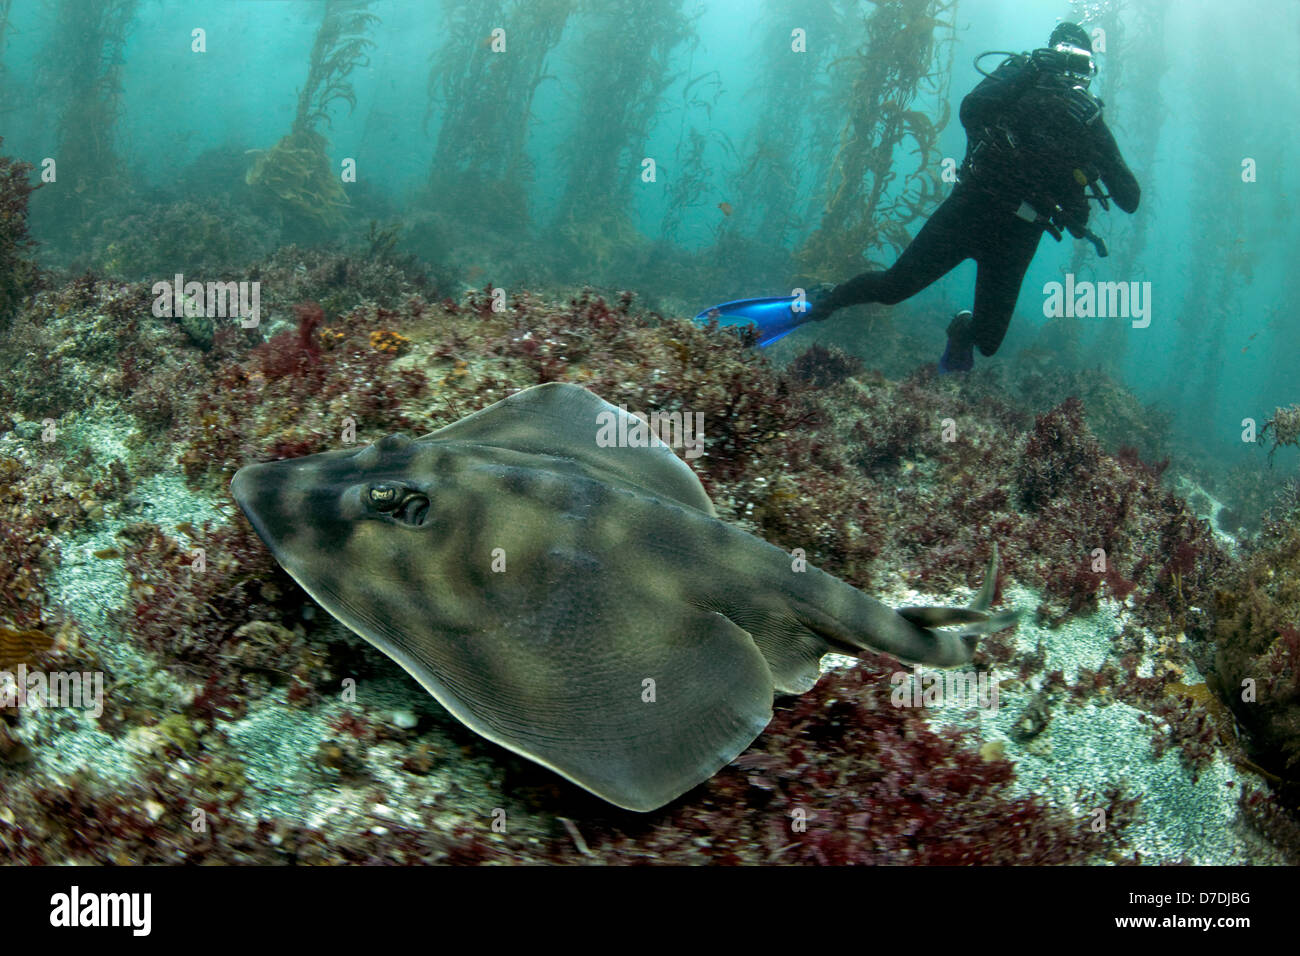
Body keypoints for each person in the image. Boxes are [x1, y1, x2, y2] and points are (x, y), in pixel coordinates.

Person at [803, 22, 1140, 372]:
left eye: (1080, 65)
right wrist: (1027, 74)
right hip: (971, 209)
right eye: (1061, 59)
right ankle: (828, 298)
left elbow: (1130, 199)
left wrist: (1097, 127)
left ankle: (962, 332)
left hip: (1019, 236)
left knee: (989, 343)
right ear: (1047, 55)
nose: (1068, 74)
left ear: (1090, 71)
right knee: (893, 288)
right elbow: (971, 112)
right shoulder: (1018, 82)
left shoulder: (1086, 118)